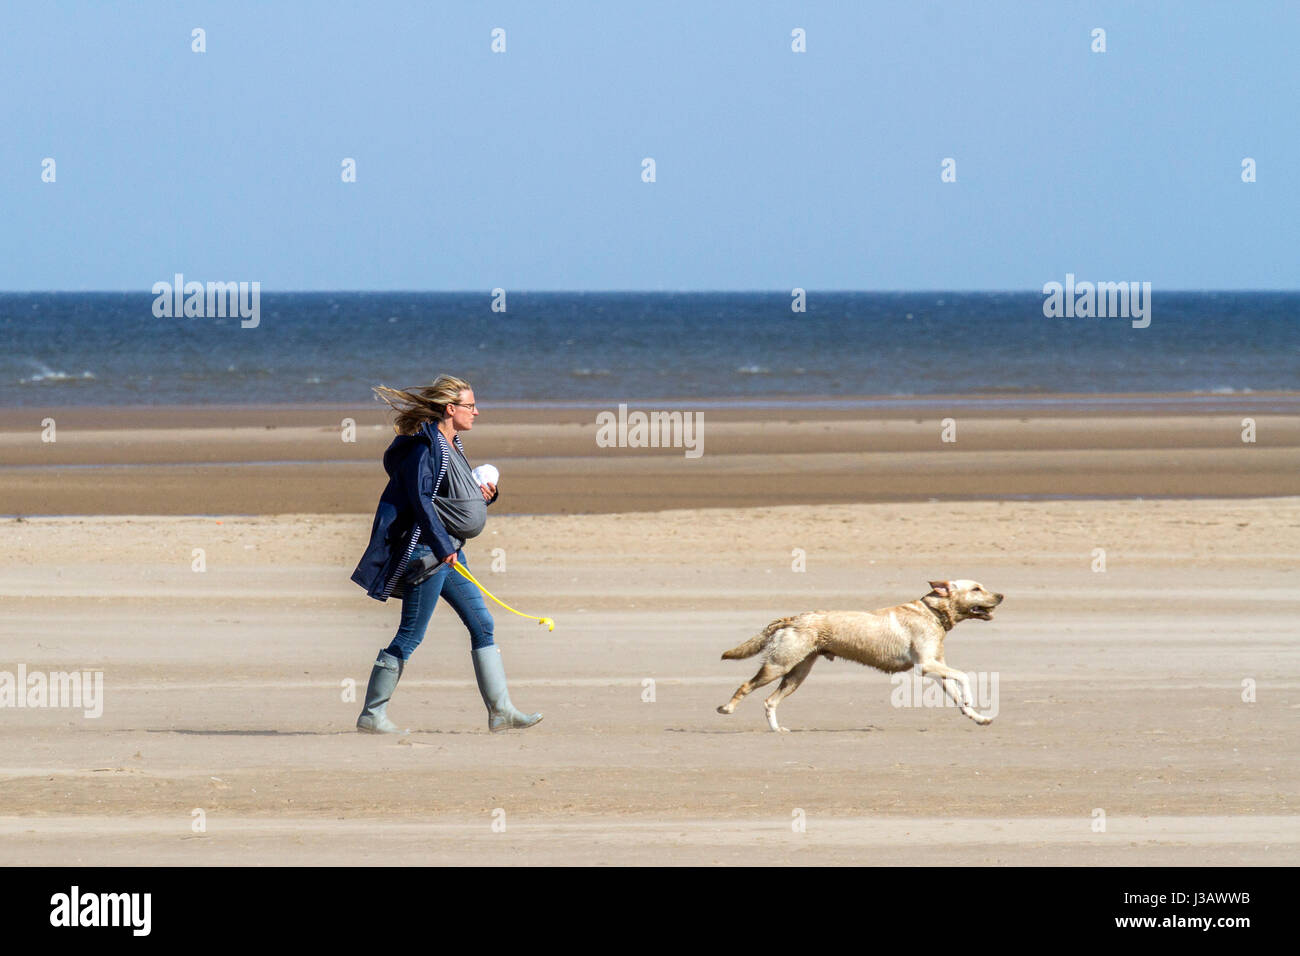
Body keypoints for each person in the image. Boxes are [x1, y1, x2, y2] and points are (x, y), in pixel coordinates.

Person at [350, 374, 542, 734]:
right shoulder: (425, 448)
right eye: (471, 405)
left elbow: (453, 492)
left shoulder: (453, 445)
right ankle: (372, 714)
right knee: (410, 635)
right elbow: (421, 501)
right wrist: (440, 546)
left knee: (482, 624)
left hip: (450, 550)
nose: (477, 412)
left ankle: (501, 711)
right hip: (429, 552)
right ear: (451, 409)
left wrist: (484, 496)